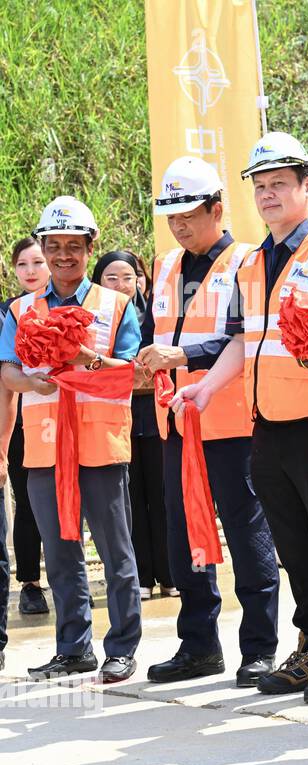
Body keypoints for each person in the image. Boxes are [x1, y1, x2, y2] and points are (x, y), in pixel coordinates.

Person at [170, 132, 308, 705]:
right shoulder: (252, 263)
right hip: (268, 423)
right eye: (260, 186)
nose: (269, 195)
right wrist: (205, 388)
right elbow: (241, 339)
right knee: (292, 542)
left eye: (280, 183)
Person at [136, 156, 281, 688]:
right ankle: (198, 645)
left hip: (232, 423)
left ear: (218, 209)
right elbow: (160, 332)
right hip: (178, 423)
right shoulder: (167, 265)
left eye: (189, 215)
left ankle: (259, 650)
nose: (179, 225)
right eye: (172, 216)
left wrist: (183, 355)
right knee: (183, 537)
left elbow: (248, 336)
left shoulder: (248, 262)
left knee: (249, 537)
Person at [0, 196, 143, 681]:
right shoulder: (21, 311)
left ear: (89, 248)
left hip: (101, 446)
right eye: (54, 246)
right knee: (60, 553)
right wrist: (33, 382)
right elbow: (8, 373)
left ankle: (122, 646)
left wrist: (87, 358)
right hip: (43, 447)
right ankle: (73, 647)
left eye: (74, 247)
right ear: (42, 247)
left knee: (115, 551)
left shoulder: (115, 305)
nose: (64, 256)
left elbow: (131, 372)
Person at [93, 249, 176, 603]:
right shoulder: (96, 318)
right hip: (116, 419)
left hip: (156, 415)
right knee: (131, 500)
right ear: (98, 281)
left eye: (129, 277)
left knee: (162, 497)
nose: (122, 284)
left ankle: (170, 574)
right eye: (112, 278)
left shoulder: (157, 315)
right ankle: (141, 576)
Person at [2, 237, 50, 618]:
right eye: (23, 265)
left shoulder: (72, 306)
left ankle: (71, 578)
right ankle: (31, 584)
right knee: (28, 501)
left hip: (65, 418)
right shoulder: (10, 313)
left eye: (37, 262)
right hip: (19, 424)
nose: (31, 271)